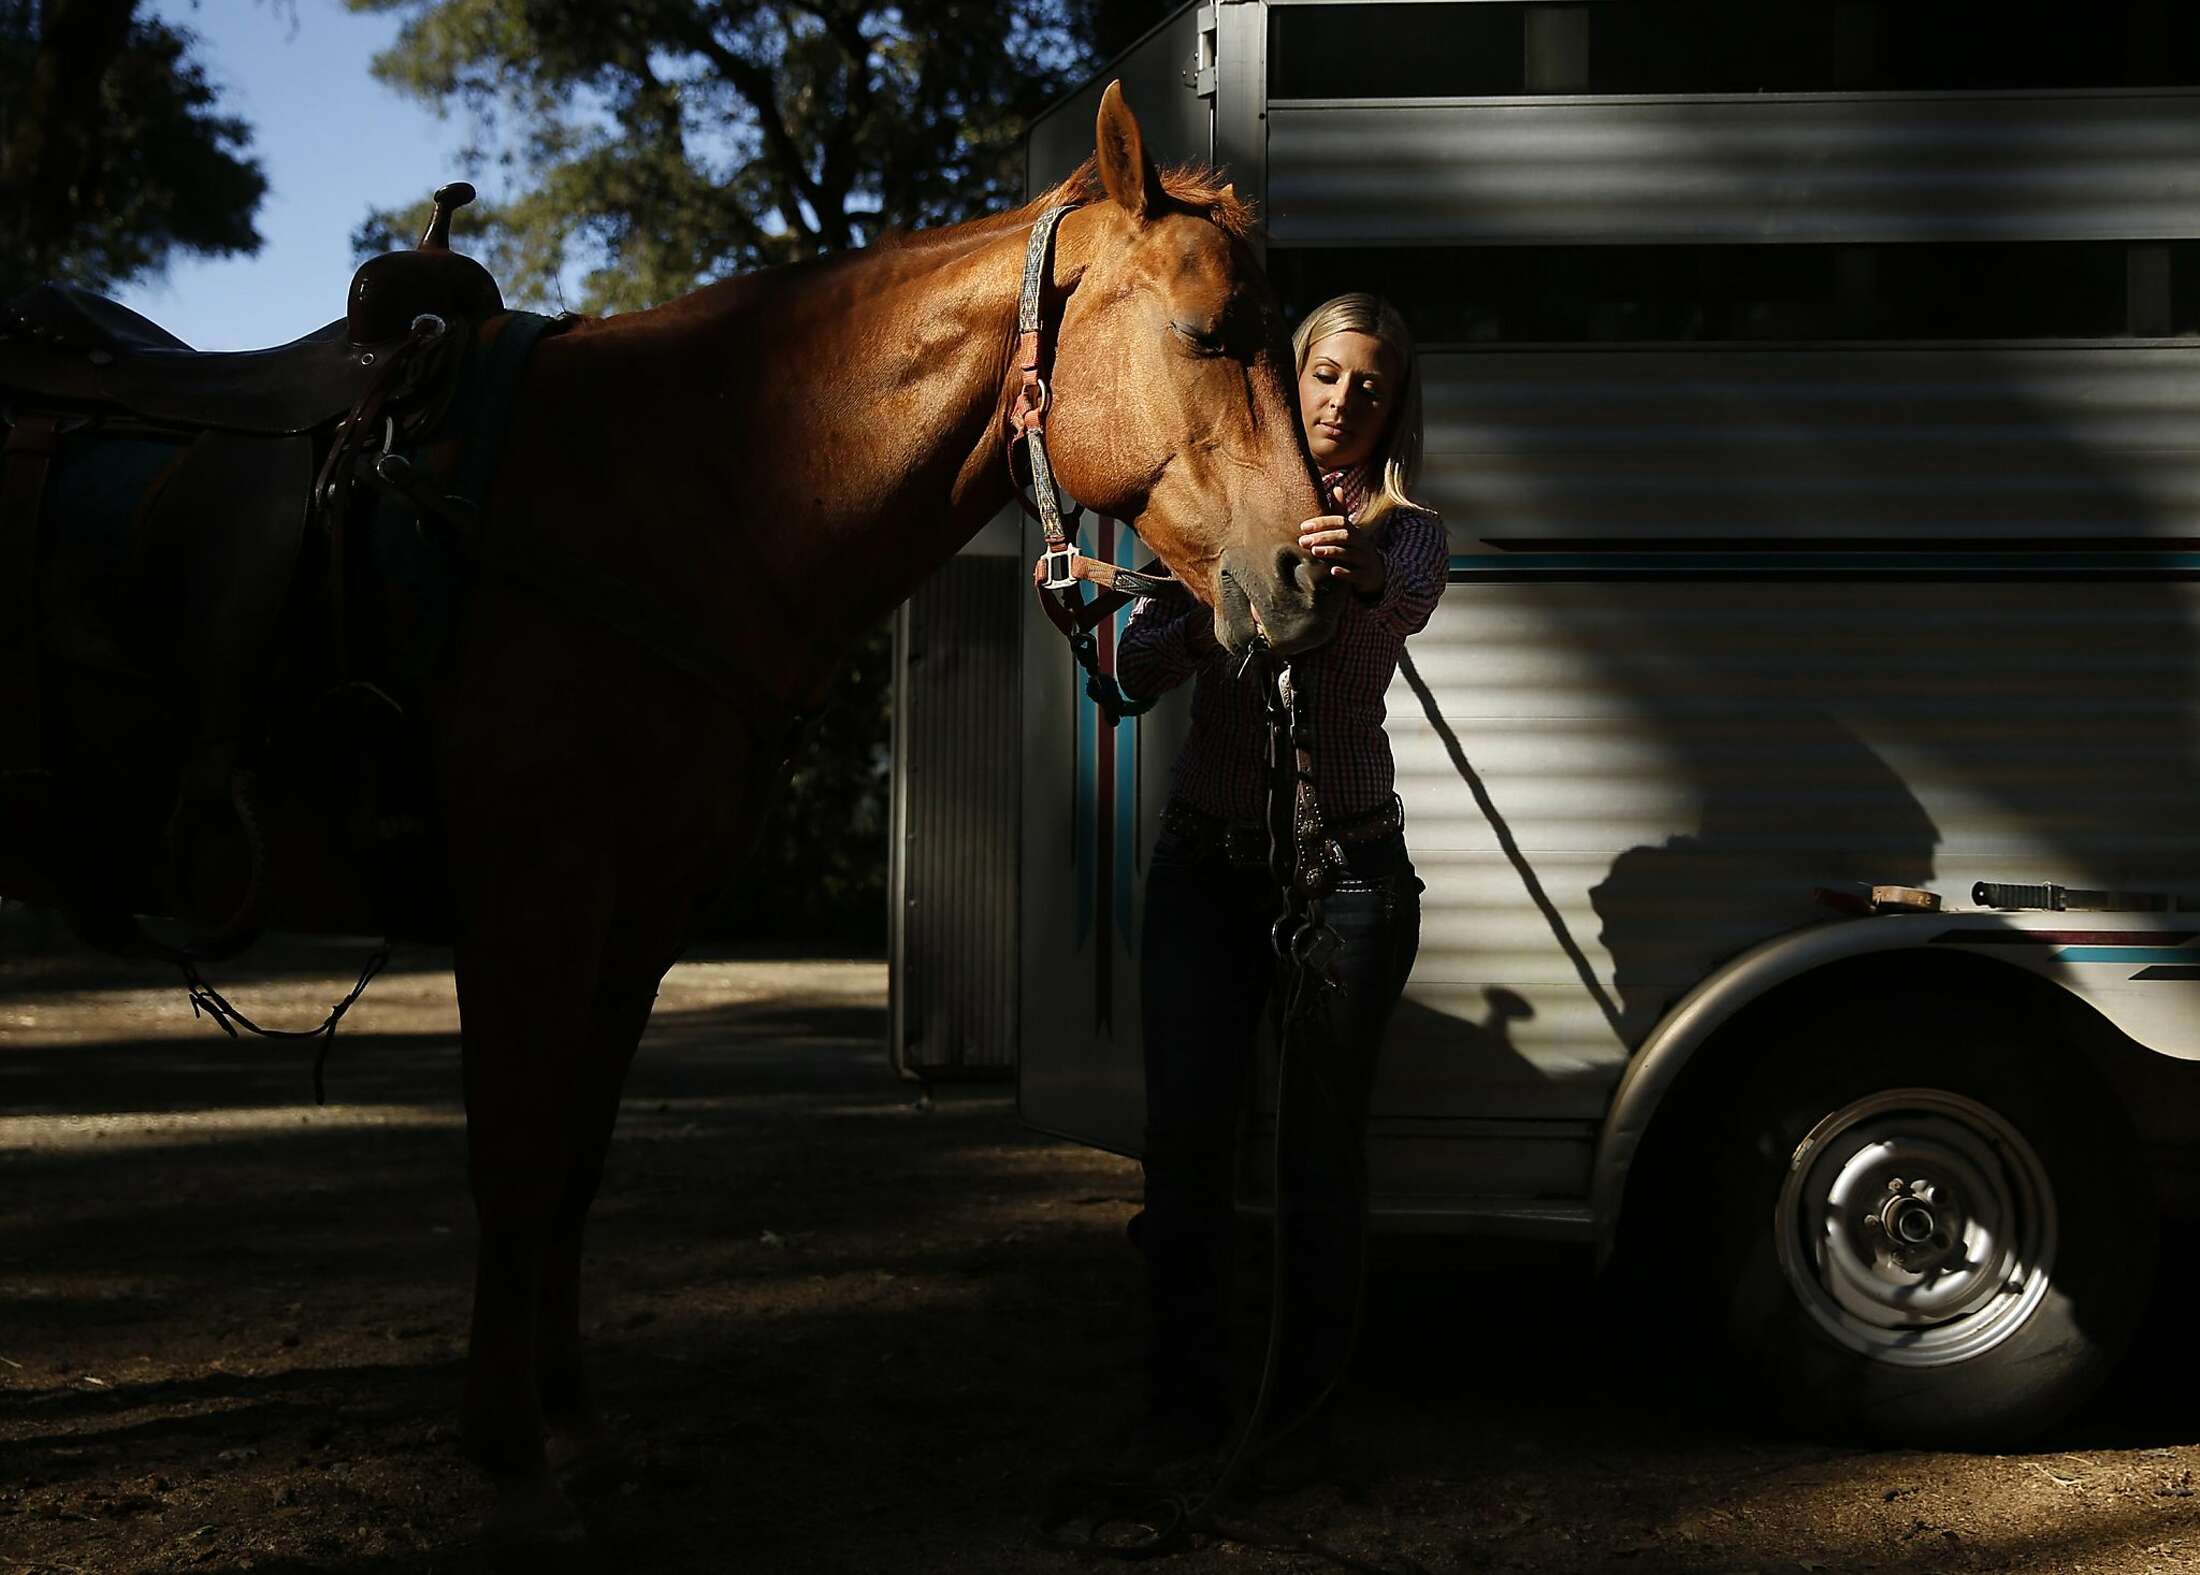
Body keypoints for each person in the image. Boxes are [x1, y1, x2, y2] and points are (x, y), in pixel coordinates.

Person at [1112, 292, 1448, 1478]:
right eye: (1324, 375)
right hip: (1207, 867)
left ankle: (1303, 1410)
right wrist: (1214, 605)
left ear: (1393, 405)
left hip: (1345, 876)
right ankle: (1181, 1406)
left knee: (1319, 1159)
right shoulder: (1207, 510)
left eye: (1368, 384)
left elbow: (1398, 596)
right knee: (1186, 1148)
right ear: (1289, 379)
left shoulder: (1407, 532)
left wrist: (1344, 566)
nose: (1341, 401)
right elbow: (1131, 665)